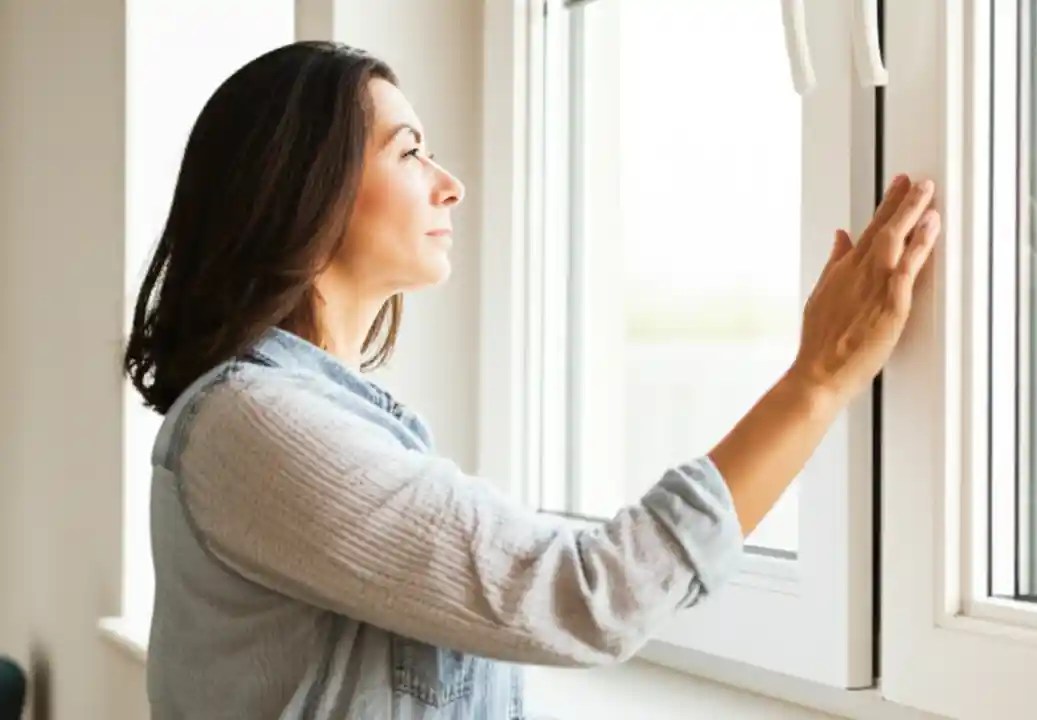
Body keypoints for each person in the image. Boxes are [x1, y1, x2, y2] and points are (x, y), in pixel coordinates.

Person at [124, 41, 939, 720]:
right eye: (409, 151)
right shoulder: (253, 424)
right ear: (302, 188)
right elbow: (588, 595)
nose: (451, 183)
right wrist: (818, 380)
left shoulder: (305, 416)